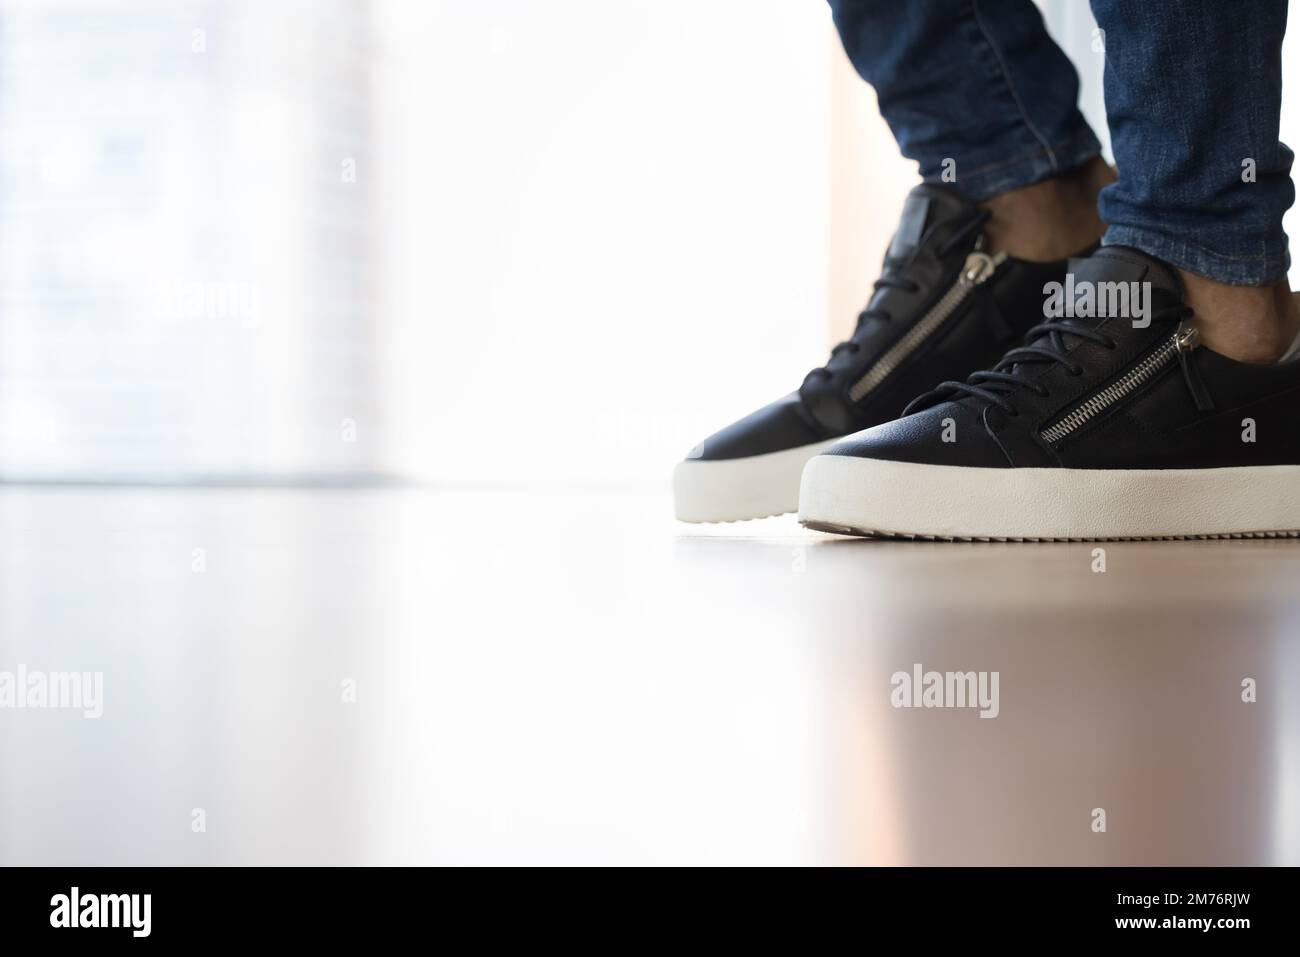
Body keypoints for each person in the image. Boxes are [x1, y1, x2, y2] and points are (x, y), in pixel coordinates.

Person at [674, 0, 1300, 540]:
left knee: (1197, 235)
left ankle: (1211, 279)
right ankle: (1019, 188)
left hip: (1198, 286)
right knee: (987, 161)